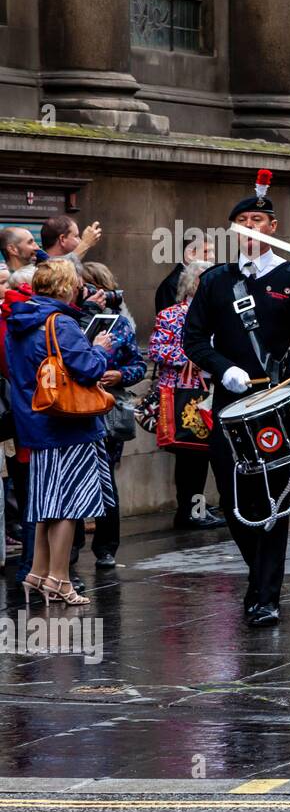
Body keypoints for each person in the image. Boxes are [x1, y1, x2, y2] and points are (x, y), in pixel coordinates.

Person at [182, 169, 290, 627]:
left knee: (270, 501)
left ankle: (264, 594)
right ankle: (260, 576)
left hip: (276, 400)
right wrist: (221, 367)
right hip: (230, 404)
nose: (250, 227)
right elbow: (193, 338)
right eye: (242, 220)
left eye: (258, 220)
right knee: (233, 501)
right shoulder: (215, 281)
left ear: (272, 229)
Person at [5, 258, 116, 607]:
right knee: (69, 505)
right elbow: (88, 369)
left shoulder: (18, 322)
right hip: (68, 424)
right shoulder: (60, 323)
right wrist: (100, 349)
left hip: (34, 424)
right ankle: (60, 580)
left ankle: (37, 574)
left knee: (44, 504)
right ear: (67, 287)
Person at [76, 260, 147, 569]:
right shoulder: (69, 320)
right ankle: (73, 548)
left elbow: (138, 366)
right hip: (75, 407)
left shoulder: (120, 324)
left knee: (106, 479)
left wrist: (120, 375)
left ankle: (106, 548)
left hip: (108, 408)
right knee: (76, 479)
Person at [149, 257, 224, 531]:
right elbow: (156, 351)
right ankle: (190, 512)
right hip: (184, 395)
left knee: (210, 456)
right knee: (191, 458)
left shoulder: (220, 315)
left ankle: (204, 508)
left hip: (216, 391)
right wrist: (191, 356)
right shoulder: (171, 314)